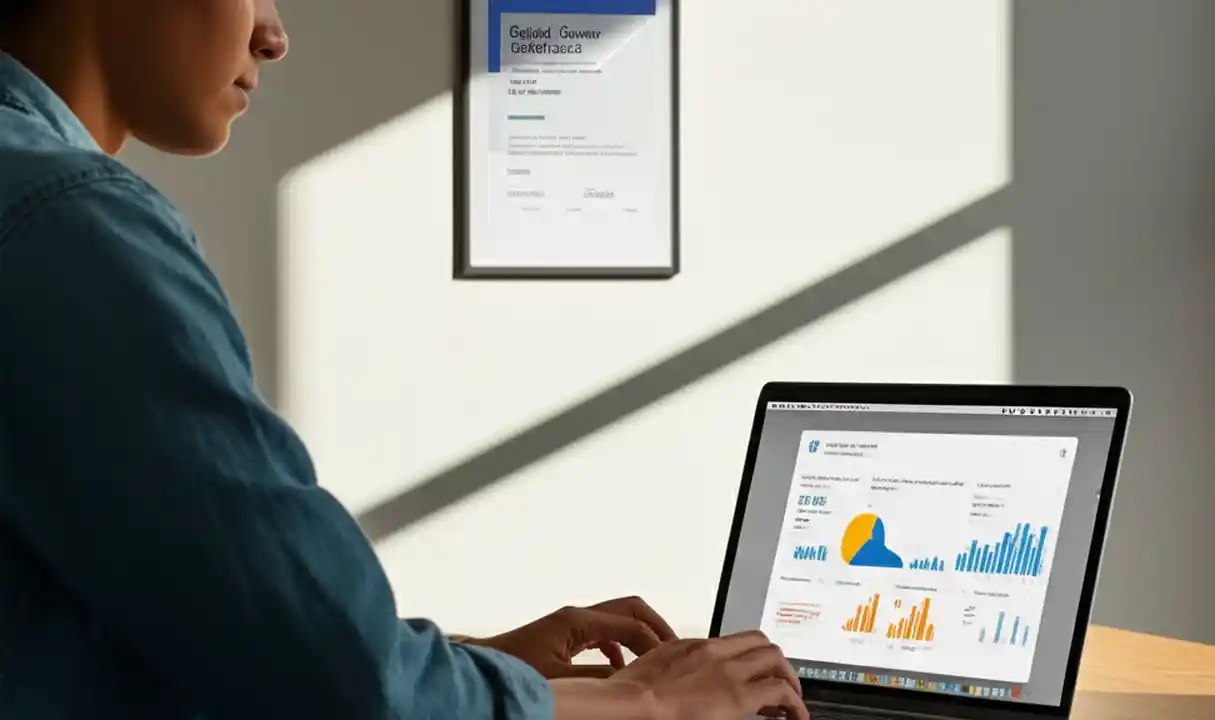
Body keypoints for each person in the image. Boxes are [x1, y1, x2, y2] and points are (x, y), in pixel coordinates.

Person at [0, 1, 808, 718]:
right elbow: (339, 689)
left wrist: (468, 668)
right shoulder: (71, 219)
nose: (274, 34)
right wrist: (651, 699)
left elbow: (163, 633)